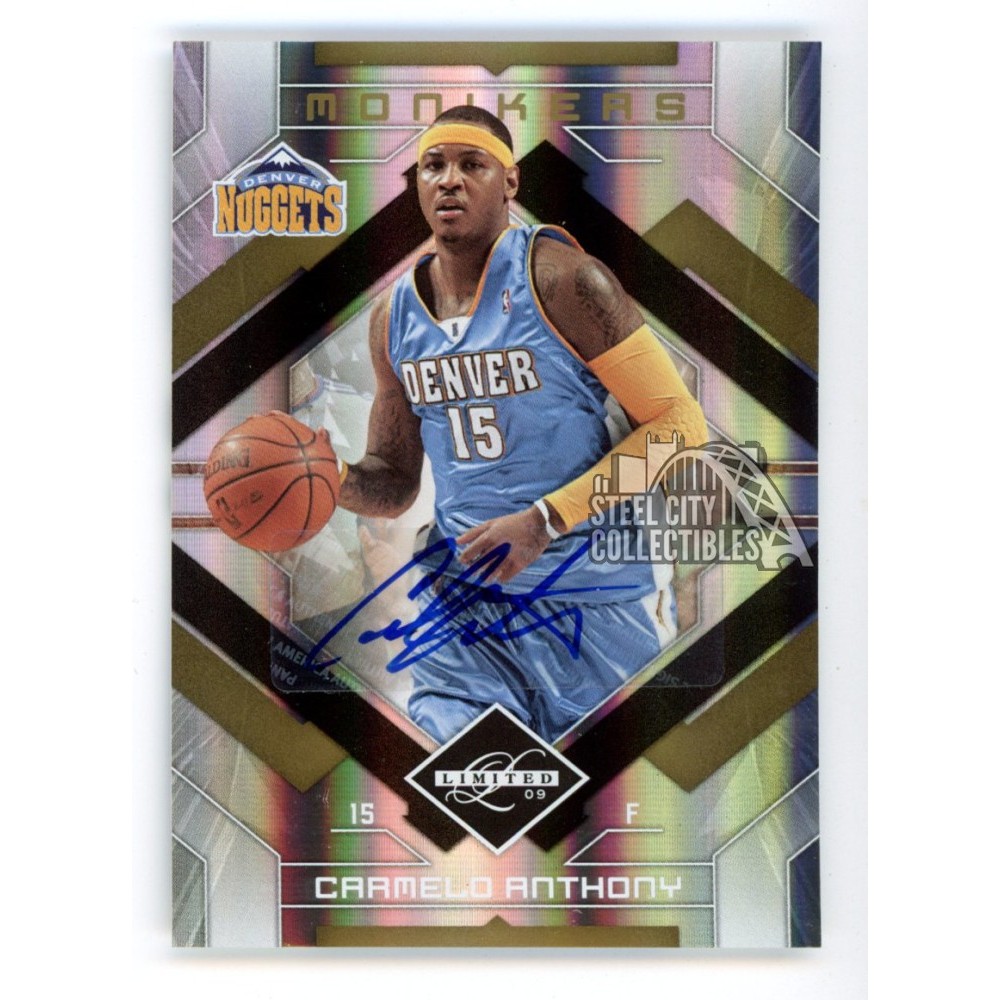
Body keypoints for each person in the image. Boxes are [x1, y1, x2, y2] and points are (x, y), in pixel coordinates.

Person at [333, 105, 708, 744]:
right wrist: (326, 477)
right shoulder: (391, 318)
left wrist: (545, 520)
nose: (450, 180)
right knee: (457, 786)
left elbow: (680, 424)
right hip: (464, 612)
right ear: (416, 184)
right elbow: (394, 480)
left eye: (471, 164)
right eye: (433, 166)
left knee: (595, 798)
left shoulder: (566, 281)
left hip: (591, 602)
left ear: (510, 181)